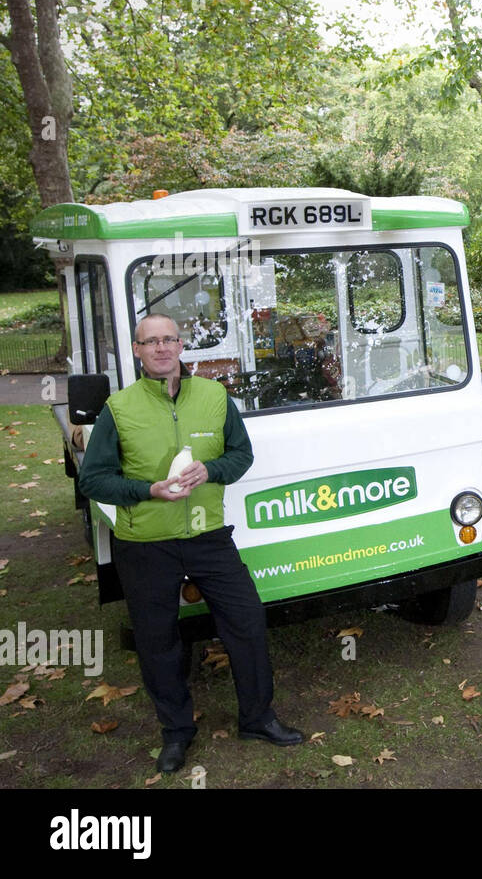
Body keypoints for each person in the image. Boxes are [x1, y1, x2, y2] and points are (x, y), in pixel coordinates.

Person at [79, 313, 302, 773]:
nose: (161, 348)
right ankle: (177, 732)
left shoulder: (215, 396)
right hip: (146, 542)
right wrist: (147, 490)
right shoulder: (118, 409)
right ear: (137, 350)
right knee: (159, 641)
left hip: (208, 535)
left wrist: (211, 470)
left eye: (169, 340)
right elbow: (94, 480)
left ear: (182, 346)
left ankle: (258, 718)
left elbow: (241, 455)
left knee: (246, 621)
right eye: (150, 342)